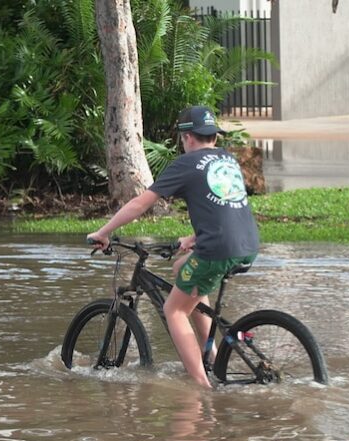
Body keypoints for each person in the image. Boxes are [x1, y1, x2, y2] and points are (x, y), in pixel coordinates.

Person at [87, 106, 260, 388]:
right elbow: (224, 206)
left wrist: (104, 232)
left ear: (187, 137)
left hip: (217, 247)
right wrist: (194, 238)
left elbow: (140, 203)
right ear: (213, 137)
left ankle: (201, 388)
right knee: (183, 269)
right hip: (247, 242)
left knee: (174, 310)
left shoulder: (185, 164)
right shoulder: (226, 159)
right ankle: (213, 361)